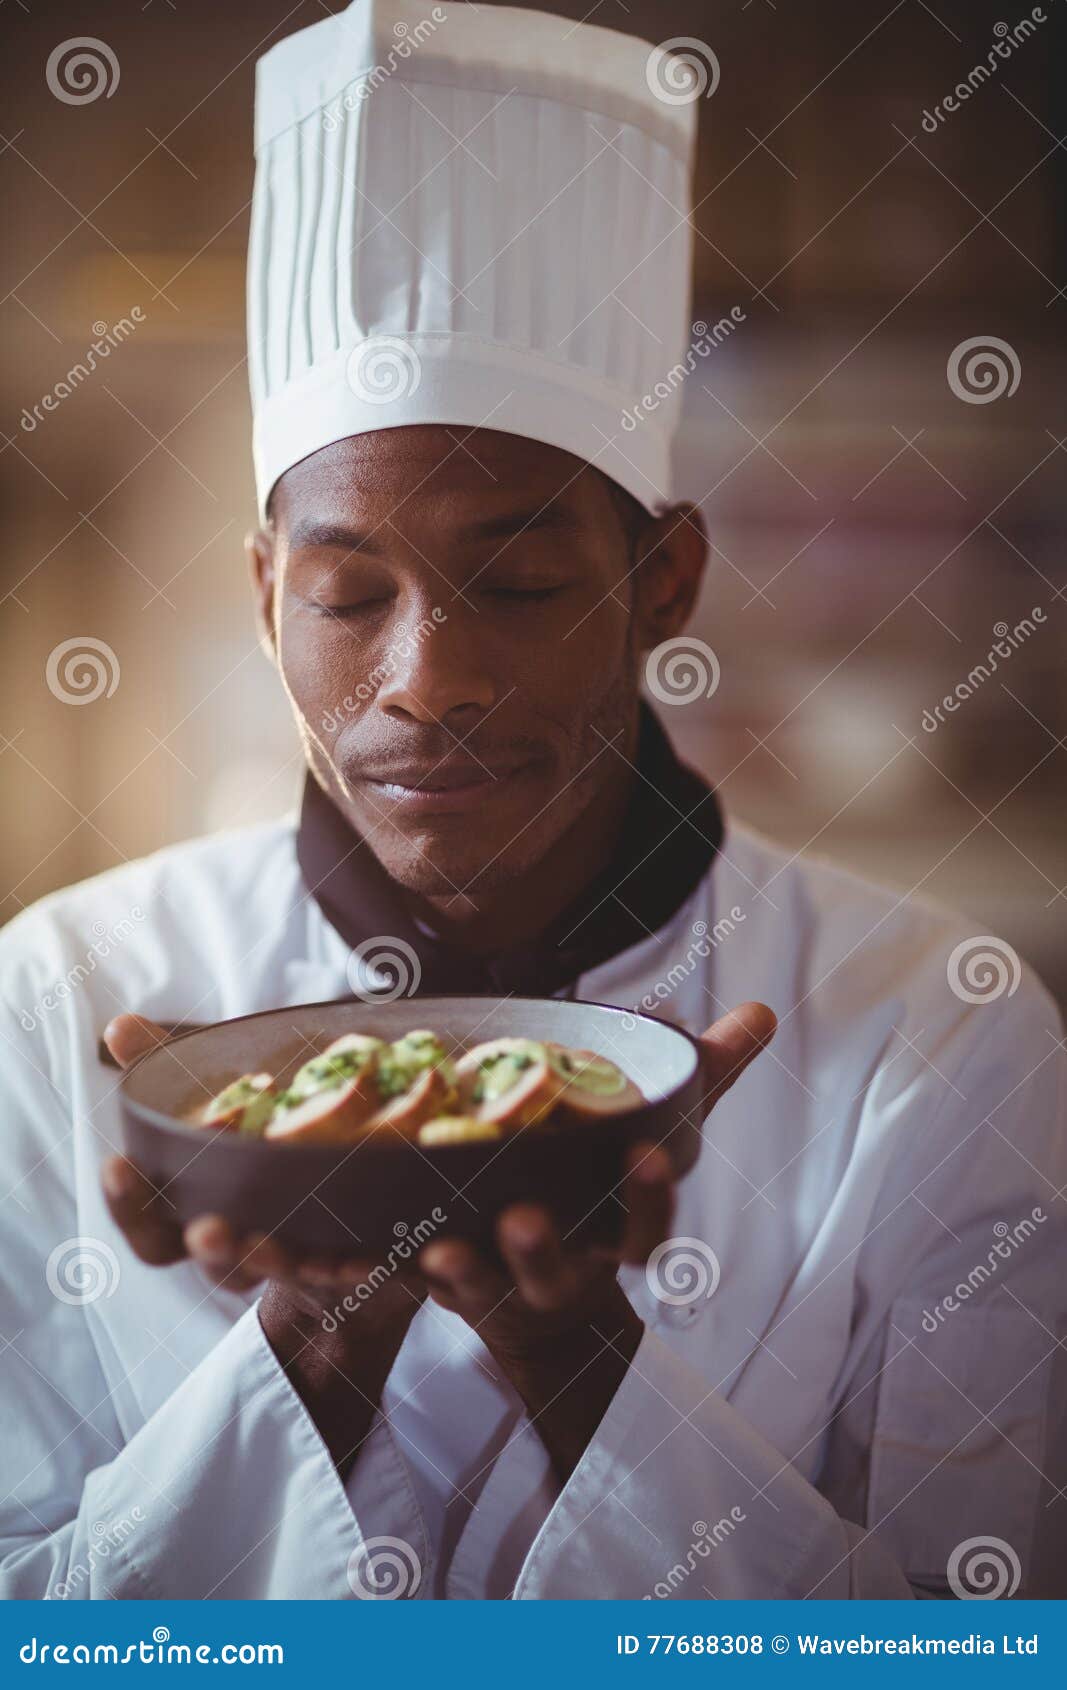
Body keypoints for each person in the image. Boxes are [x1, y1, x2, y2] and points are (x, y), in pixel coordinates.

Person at [1, 0, 1063, 1601]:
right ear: (264, 595)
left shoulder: (940, 1029)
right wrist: (311, 1344)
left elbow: (977, 1638)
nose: (429, 677)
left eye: (520, 582)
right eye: (349, 595)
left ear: (665, 580)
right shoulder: (55, 1000)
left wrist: (585, 1368)